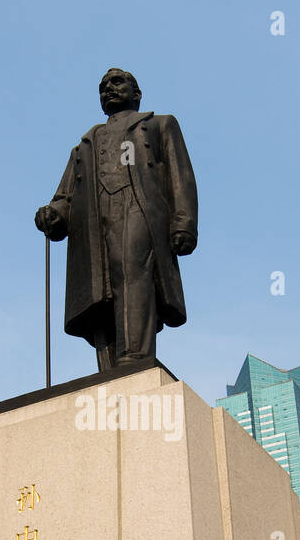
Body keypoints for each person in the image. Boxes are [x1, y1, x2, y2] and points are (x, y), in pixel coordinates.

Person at [35, 69, 198, 371]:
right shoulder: (87, 143)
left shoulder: (160, 125)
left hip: (139, 207)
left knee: (132, 272)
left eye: (117, 83)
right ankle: (109, 366)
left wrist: (183, 221)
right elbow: (66, 196)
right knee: (100, 291)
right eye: (102, 87)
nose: (108, 89)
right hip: (95, 221)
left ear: (137, 94)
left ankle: (135, 357)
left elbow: (181, 176)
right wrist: (54, 214)